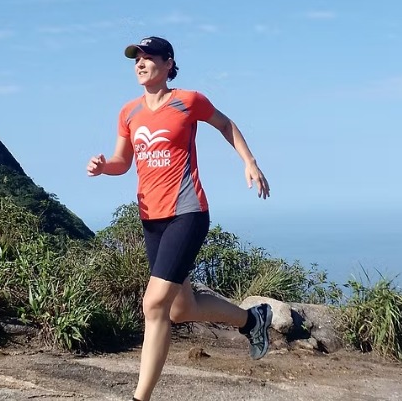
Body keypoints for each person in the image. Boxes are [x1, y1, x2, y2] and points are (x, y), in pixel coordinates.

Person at [86, 36, 274, 401]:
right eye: (136, 59)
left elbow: (225, 124)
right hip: (151, 219)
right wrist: (103, 166)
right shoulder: (128, 112)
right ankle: (254, 320)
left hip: (186, 213)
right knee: (181, 308)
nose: (139, 63)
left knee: (154, 305)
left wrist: (249, 161)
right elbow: (122, 162)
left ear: (168, 63)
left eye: (148, 57)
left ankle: (140, 397)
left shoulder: (187, 102)